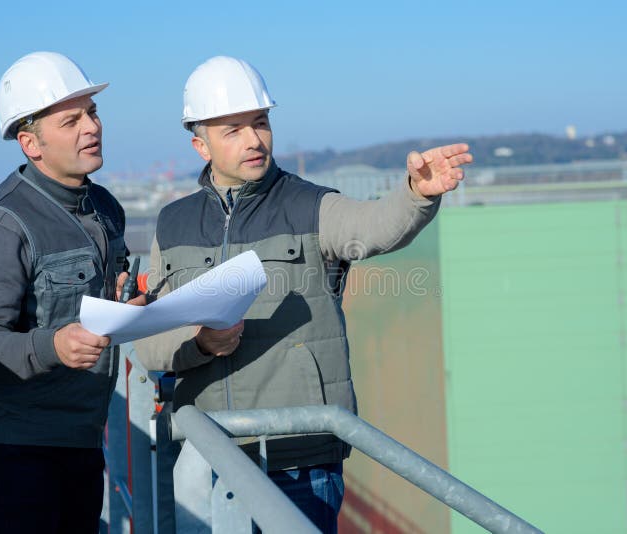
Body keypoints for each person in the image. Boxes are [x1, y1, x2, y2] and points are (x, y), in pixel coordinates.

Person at [134, 55, 472, 532]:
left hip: (299, 462)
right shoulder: (174, 224)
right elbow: (150, 342)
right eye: (233, 129)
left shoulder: (311, 205)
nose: (254, 139)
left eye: (261, 122)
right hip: (208, 458)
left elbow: (375, 228)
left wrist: (417, 194)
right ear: (200, 145)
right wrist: (201, 344)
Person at [0, 51, 143, 533]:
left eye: (93, 113)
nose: (92, 127)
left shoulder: (104, 207)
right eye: (71, 120)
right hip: (11, 453)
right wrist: (53, 345)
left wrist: (128, 307)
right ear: (30, 143)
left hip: (78, 437)